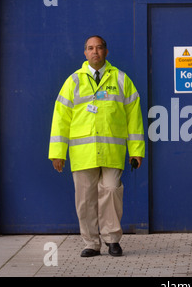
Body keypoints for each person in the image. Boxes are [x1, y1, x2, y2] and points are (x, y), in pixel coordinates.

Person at [49, 36, 145, 257]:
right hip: (83, 153)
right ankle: (91, 243)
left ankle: (112, 240)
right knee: (85, 199)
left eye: (99, 48)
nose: (95, 52)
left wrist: (137, 151)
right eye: (90, 48)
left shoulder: (121, 80)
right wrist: (57, 153)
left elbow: (134, 118)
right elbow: (60, 119)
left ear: (106, 52)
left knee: (111, 191)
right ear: (85, 53)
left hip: (112, 151)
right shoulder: (73, 81)